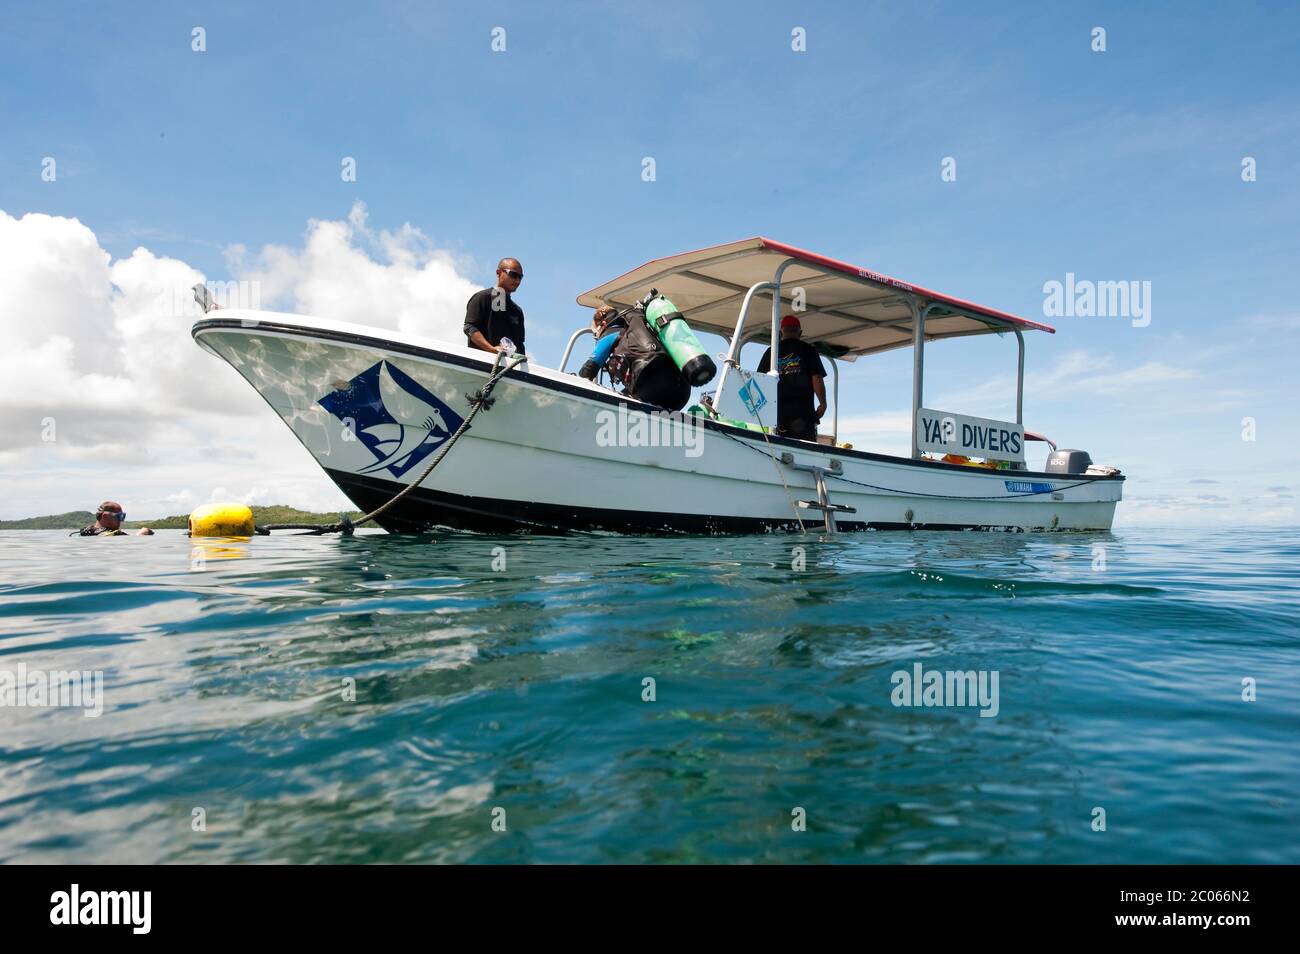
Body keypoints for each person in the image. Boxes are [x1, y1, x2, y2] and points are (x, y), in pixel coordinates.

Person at [579, 303, 690, 411]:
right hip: (683, 391)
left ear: (603, 324)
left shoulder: (610, 332)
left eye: (595, 334)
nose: (596, 337)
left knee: (611, 408)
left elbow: (588, 371)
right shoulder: (640, 327)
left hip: (655, 386)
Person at [756, 314, 828, 441]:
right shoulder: (809, 350)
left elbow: (760, 380)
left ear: (781, 332)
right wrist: (822, 403)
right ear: (800, 332)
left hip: (777, 411)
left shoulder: (771, 352)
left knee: (778, 446)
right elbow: (816, 377)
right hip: (803, 412)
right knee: (805, 449)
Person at [464, 258, 525, 355]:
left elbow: (520, 344)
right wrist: (492, 349)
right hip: (481, 364)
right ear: (498, 273)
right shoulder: (482, 298)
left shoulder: (517, 311)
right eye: (513, 275)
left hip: (507, 367)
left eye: (520, 277)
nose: (517, 280)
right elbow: (469, 328)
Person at [77, 501, 153, 536]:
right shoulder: (114, 533)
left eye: (123, 516)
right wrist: (141, 533)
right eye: (119, 516)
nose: (121, 520)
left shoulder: (87, 531)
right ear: (105, 516)